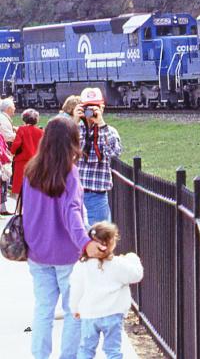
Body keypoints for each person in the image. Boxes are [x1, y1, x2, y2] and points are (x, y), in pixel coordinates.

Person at [23, 116, 109, 359]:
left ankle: (39, 356)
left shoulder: (31, 170)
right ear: (71, 141)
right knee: (74, 311)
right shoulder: (69, 173)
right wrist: (86, 243)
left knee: (43, 310)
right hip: (66, 255)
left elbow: (28, 211)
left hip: (37, 253)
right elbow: (72, 213)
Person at [70, 222, 143, 359]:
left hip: (90, 314)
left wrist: (75, 308)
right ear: (111, 243)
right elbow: (136, 275)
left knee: (86, 349)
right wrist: (133, 258)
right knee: (113, 350)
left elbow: (76, 289)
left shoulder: (81, 266)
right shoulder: (118, 264)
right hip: (113, 314)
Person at [73, 87, 123, 225]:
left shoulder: (109, 131)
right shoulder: (75, 129)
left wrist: (101, 124)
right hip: (74, 194)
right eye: (88, 108)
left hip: (97, 194)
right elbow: (59, 151)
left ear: (102, 108)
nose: (91, 112)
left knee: (99, 238)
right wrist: (74, 122)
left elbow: (114, 152)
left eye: (95, 107)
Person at [11, 108, 44, 200]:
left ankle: (19, 210)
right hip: (36, 162)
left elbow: (16, 144)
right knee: (33, 186)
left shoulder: (21, 129)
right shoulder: (41, 132)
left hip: (22, 162)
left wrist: (12, 152)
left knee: (20, 187)